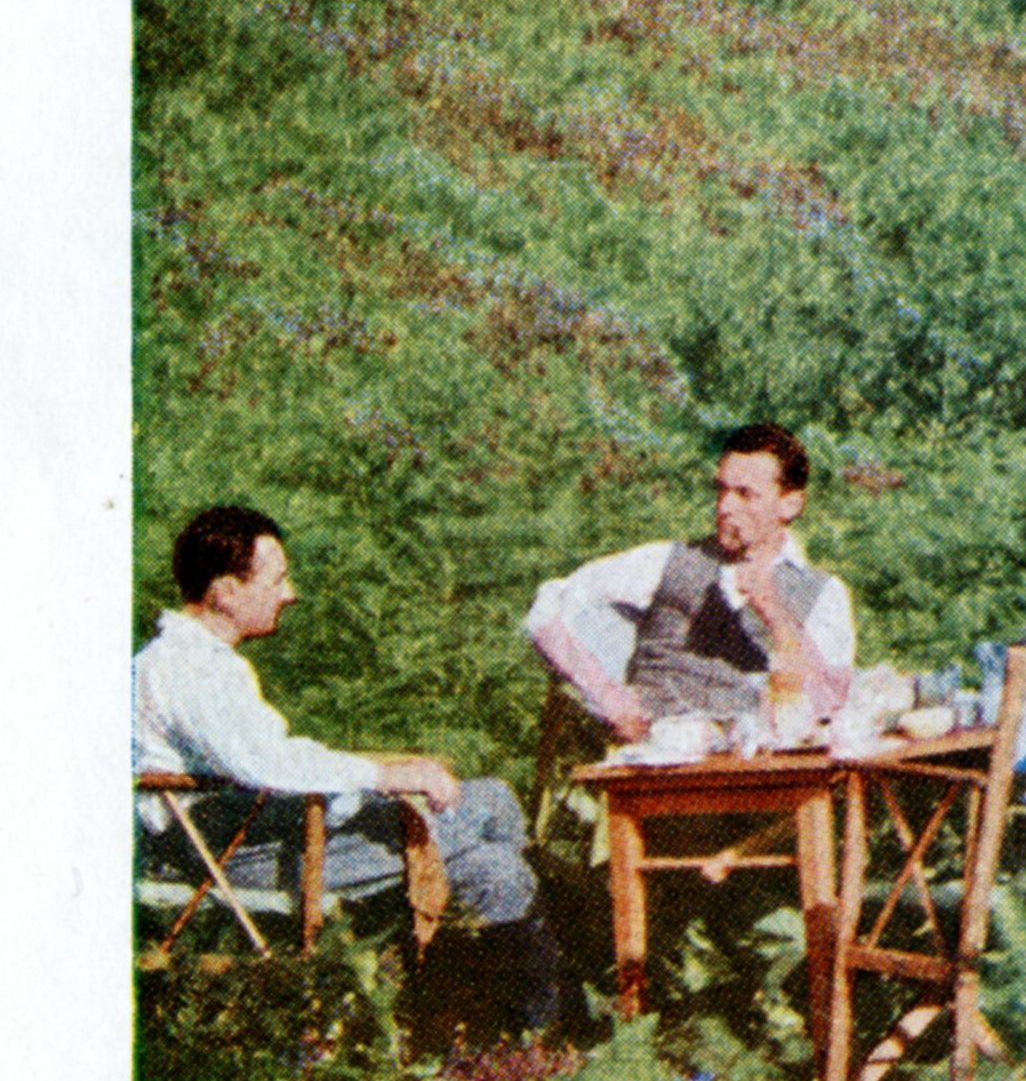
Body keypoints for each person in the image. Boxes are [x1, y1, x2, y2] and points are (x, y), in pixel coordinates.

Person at [134, 505, 559, 1030]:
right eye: (278, 579)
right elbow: (268, 762)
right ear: (224, 592)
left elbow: (270, 757)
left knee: (492, 827)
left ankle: (510, 1008)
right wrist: (387, 776)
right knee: (487, 846)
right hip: (221, 848)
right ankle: (532, 1028)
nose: (289, 594)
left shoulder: (199, 659)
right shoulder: (186, 667)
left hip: (254, 825)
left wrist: (390, 775)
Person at [524, 423, 854, 744]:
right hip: (656, 764)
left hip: (763, 771)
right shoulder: (664, 559)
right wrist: (607, 697)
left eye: (745, 494)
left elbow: (828, 704)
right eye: (721, 489)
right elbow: (548, 606)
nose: (725, 507)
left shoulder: (824, 592)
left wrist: (773, 612)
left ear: (790, 504)